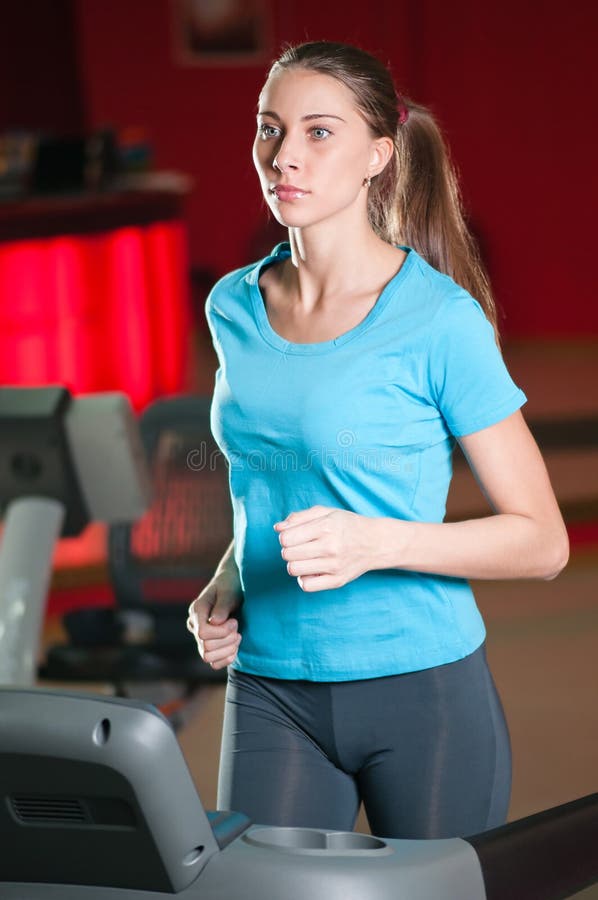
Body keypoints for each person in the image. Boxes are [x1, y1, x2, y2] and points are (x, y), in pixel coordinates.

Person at [187, 40, 568, 840]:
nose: (284, 156)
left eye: (319, 132)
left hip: (420, 686)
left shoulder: (439, 320)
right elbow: (274, 470)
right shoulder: (232, 305)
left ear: (378, 156)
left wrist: (374, 542)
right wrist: (230, 573)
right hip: (270, 684)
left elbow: (543, 543)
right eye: (269, 128)